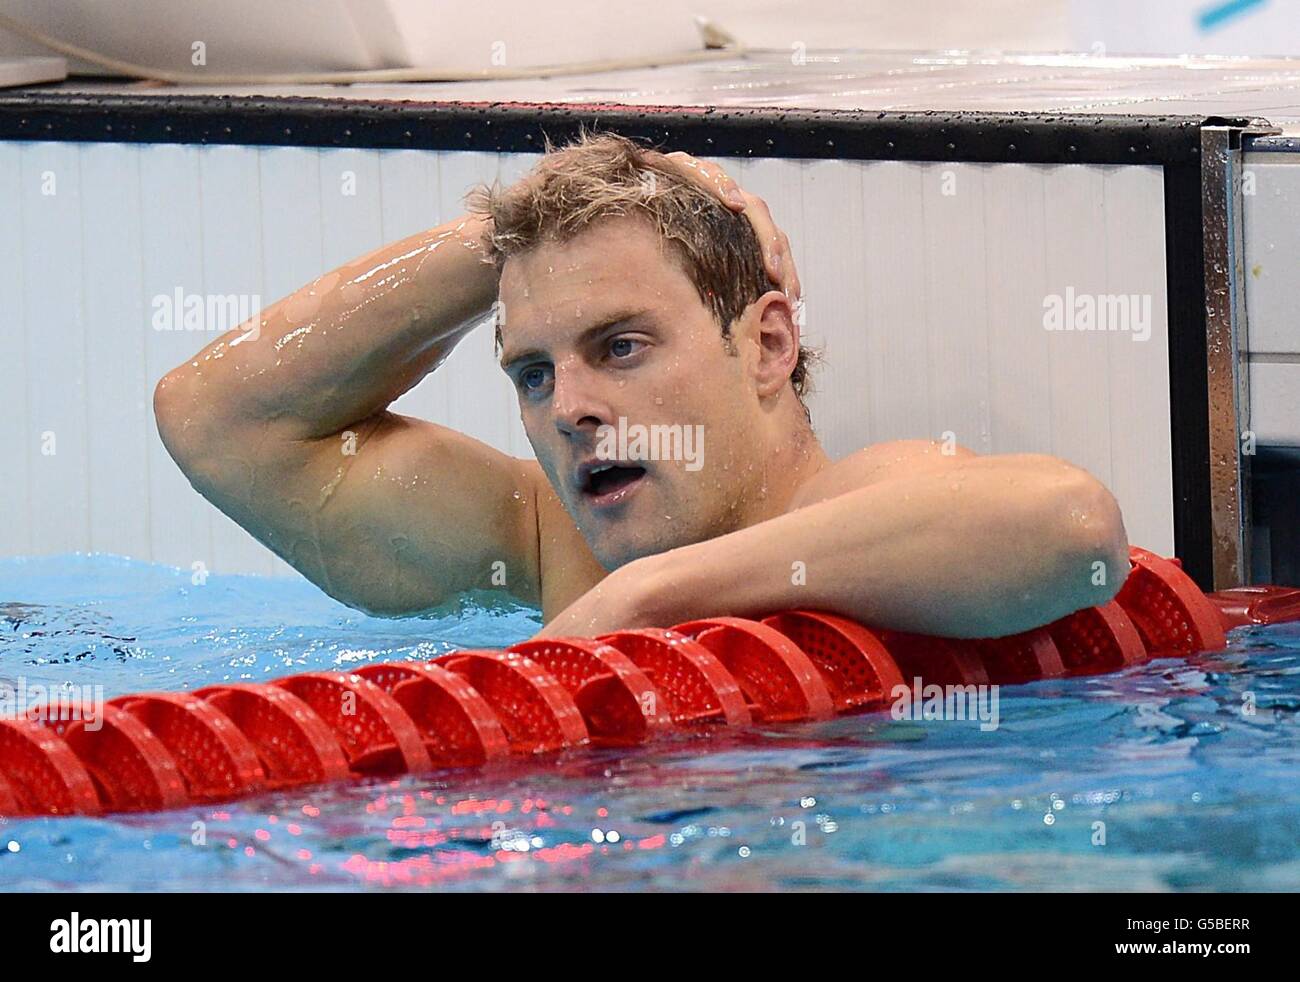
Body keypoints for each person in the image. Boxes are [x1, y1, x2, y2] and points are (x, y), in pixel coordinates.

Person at [154, 130, 1128, 639]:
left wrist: (651, 596)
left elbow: (1072, 532)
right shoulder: (545, 543)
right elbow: (217, 420)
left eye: (619, 347)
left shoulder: (854, 502)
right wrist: (501, 237)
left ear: (767, 346)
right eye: (532, 372)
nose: (568, 407)